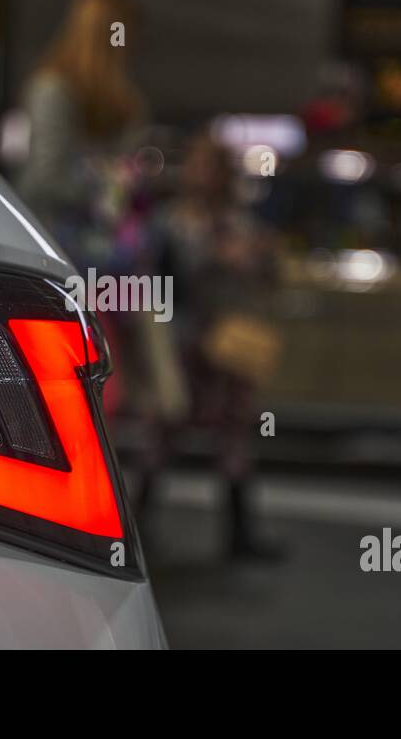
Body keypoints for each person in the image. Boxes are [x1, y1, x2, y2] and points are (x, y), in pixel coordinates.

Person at [144, 132, 284, 560]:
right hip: (188, 336)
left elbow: (267, 276)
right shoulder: (173, 222)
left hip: (228, 339)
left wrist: (258, 257)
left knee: (234, 431)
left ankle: (239, 534)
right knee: (166, 429)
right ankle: (135, 521)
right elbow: (161, 282)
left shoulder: (238, 222)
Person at [15, 0, 146, 269]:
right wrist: (108, 188)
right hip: (52, 246)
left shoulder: (123, 103)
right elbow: (48, 178)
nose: (130, 46)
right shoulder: (52, 89)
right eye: (125, 36)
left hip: (99, 249)